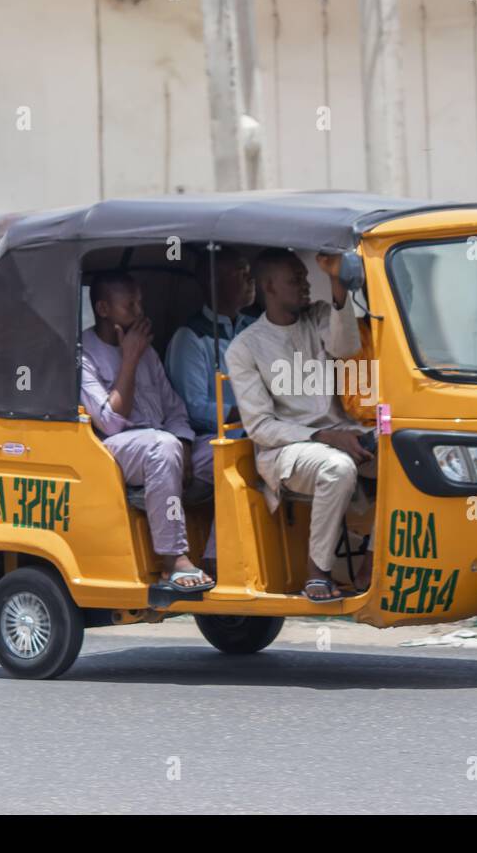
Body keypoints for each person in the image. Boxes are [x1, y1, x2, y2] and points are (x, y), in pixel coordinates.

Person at [225, 247, 373, 603]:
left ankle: (371, 562)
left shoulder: (320, 314)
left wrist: (336, 282)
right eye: (296, 280)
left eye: (306, 278)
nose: (306, 285)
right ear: (269, 287)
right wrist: (323, 436)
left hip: (344, 434)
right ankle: (316, 573)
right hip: (287, 451)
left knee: (406, 449)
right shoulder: (244, 348)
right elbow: (260, 426)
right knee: (335, 467)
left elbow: (345, 347)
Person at [80, 271, 213, 591]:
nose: (140, 312)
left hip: (163, 442)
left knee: (226, 450)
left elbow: (176, 410)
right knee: (162, 447)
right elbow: (110, 422)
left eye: (140, 303)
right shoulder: (83, 354)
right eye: (130, 305)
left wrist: (186, 445)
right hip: (110, 452)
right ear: (103, 309)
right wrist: (129, 359)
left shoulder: (146, 351)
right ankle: (174, 559)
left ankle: (215, 558)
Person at [164, 247, 256, 440]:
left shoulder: (256, 328)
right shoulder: (190, 337)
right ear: (214, 282)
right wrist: (250, 412)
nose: (251, 279)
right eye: (242, 272)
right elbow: (194, 407)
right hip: (219, 440)